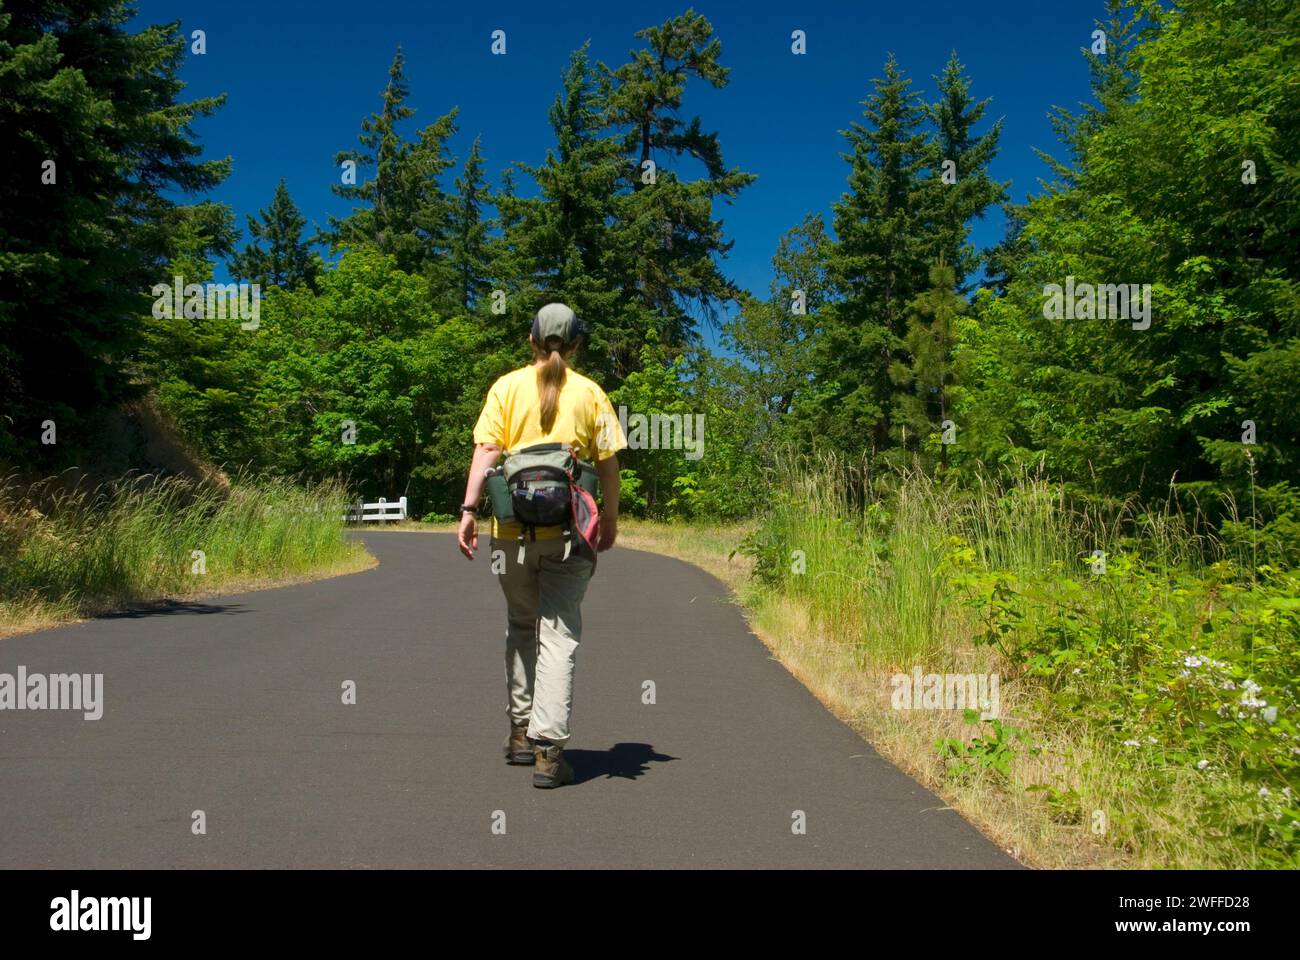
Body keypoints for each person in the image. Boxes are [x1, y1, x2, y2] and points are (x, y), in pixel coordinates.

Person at [457, 302, 626, 788]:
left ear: (531, 340)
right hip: (571, 537)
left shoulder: (506, 388)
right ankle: (548, 752)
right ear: (575, 345)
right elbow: (609, 468)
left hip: (510, 534)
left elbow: (487, 451)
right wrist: (609, 521)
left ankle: (518, 734)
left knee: (519, 625)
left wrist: (469, 512)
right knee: (558, 634)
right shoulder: (592, 393)